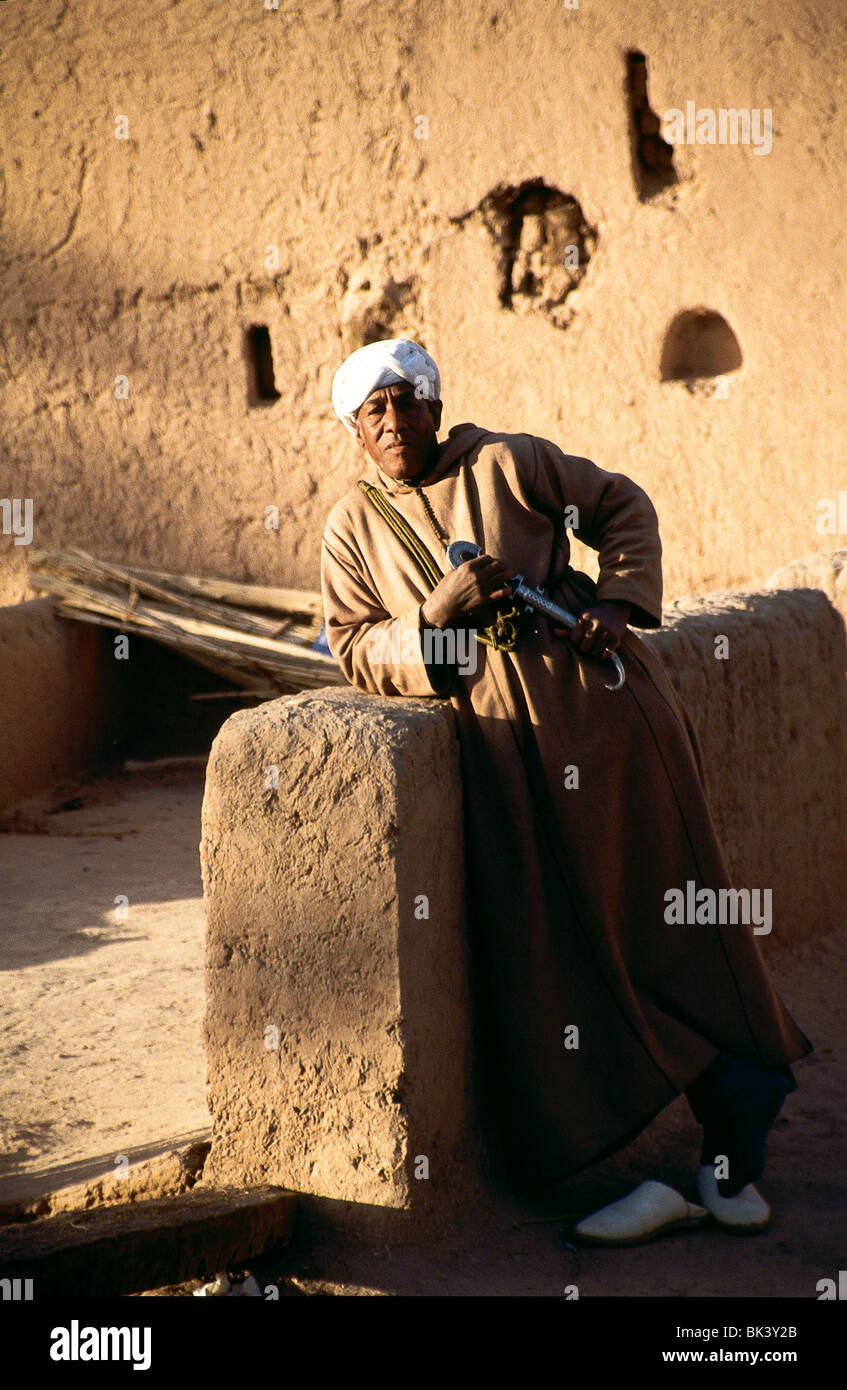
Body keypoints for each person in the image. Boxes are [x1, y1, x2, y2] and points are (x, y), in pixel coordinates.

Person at [320, 337, 812, 1244]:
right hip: (504, 758)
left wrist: (617, 605)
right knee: (554, 946)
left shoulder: (510, 460)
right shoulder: (350, 530)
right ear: (353, 429)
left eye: (405, 402)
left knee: (669, 911)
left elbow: (622, 506)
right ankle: (617, 1164)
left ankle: (737, 1133)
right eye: (372, 412)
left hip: (607, 720)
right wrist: (432, 618)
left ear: (434, 402)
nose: (392, 423)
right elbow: (352, 648)